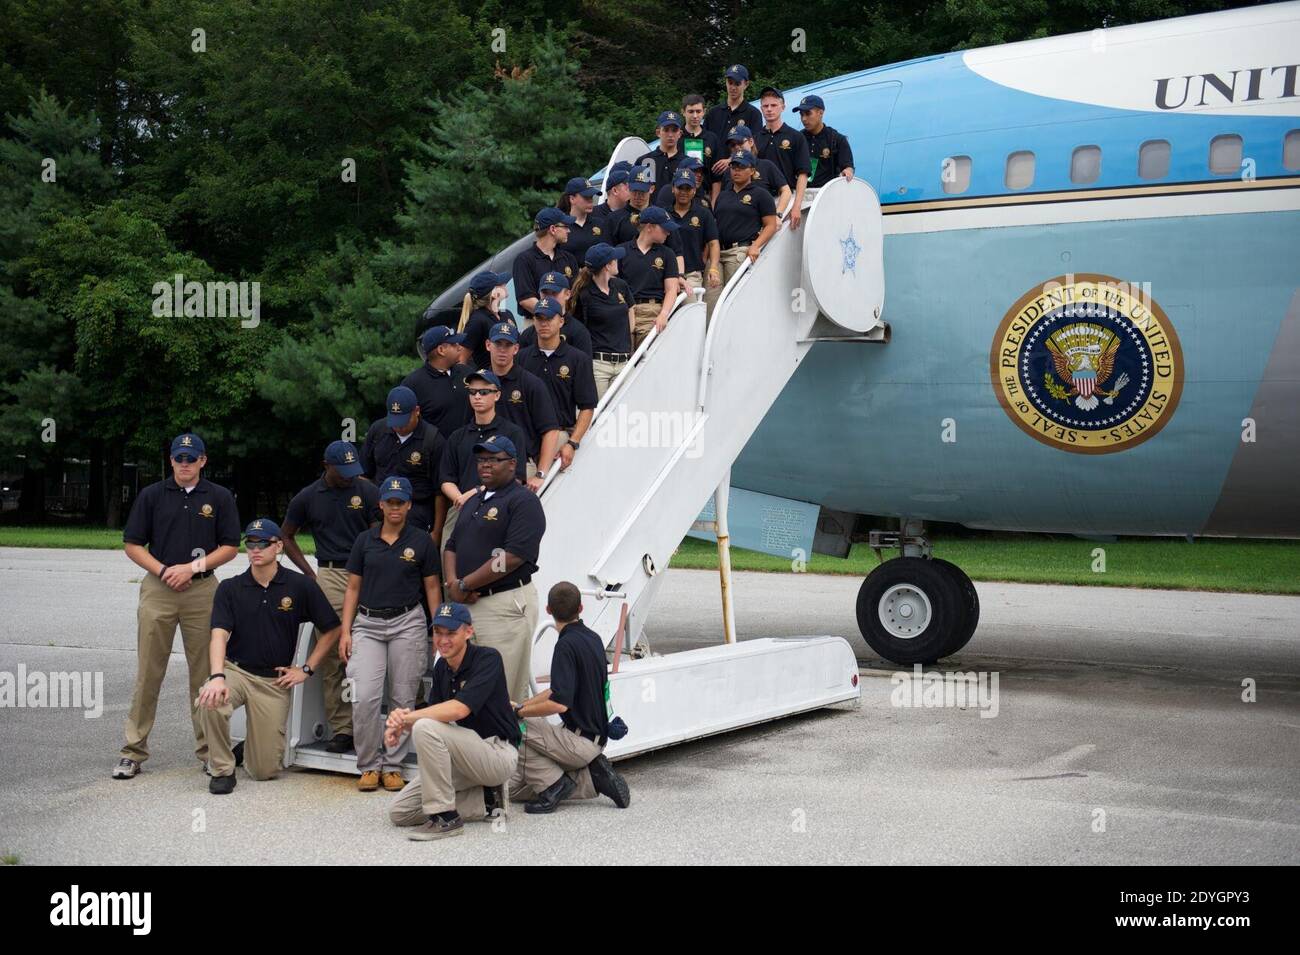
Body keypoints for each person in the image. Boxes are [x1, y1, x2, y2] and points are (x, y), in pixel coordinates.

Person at [115, 432, 241, 780]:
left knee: (206, 674)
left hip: (202, 590)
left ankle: (209, 750)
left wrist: (193, 568)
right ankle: (133, 750)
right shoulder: (152, 495)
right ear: (170, 461)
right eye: (178, 458)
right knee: (148, 672)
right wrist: (165, 570)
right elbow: (133, 544)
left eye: (191, 458)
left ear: (203, 461)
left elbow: (230, 545)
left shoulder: (218, 497)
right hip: (159, 587)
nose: (184, 464)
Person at [196, 519, 342, 793]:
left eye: (263, 543)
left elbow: (332, 629)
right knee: (209, 699)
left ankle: (248, 748)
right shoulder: (230, 588)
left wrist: (306, 669)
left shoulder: (300, 586)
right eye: (250, 543)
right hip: (236, 671)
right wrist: (217, 677)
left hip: (274, 682)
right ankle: (222, 769)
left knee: (264, 771)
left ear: (278, 546)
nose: (255, 549)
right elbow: (218, 635)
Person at [340, 476, 442, 793]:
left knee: (402, 698)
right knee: (365, 697)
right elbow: (353, 587)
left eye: (401, 502)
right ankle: (369, 765)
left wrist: (438, 627)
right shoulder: (364, 540)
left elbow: (432, 587)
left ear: (409, 505)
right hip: (368, 624)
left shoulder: (422, 541)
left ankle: (393, 765)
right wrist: (346, 630)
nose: (395, 507)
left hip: (407, 622)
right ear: (381, 504)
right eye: (390, 502)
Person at [385, 602, 521, 840]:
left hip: (497, 753)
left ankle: (446, 818)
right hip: (465, 757)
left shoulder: (488, 658)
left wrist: (407, 719)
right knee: (401, 812)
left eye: (451, 633)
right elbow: (438, 713)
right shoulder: (441, 667)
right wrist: (403, 724)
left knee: (425, 726)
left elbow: (459, 710)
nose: (443, 640)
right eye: (438, 632)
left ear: (468, 632)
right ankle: (488, 799)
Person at [280, 440, 379, 754]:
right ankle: (342, 728)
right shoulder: (308, 496)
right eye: (344, 471)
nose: (350, 476)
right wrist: (309, 573)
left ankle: (378, 726)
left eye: (354, 470)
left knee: (378, 644)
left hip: (368, 570)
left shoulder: (366, 491)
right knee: (335, 651)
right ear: (327, 466)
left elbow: (381, 529)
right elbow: (285, 535)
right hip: (331, 573)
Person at [509, 581, 630, 813]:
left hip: (578, 742)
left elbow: (559, 704)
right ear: (581, 608)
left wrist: (518, 712)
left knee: (511, 724)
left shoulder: (565, 645)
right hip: (596, 738)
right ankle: (591, 777)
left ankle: (555, 785)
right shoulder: (593, 639)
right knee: (514, 791)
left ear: (548, 610)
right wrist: (523, 704)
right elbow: (556, 691)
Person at [443, 435, 546, 704]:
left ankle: (503, 745)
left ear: (512, 464)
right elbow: (451, 545)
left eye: (493, 459)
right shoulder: (473, 500)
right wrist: (453, 584)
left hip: (503, 605)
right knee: (467, 685)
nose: (485, 465)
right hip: (467, 604)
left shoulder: (524, 501)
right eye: (481, 459)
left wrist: (465, 585)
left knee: (503, 689)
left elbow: (510, 557)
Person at [438, 369, 527, 549]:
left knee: (493, 562)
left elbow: (516, 477)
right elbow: (446, 479)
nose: (477, 396)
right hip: (461, 507)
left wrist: (475, 493)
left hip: (498, 505)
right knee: (447, 552)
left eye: (484, 392)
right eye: (472, 392)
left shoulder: (512, 433)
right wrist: (461, 499)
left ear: (497, 395)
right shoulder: (457, 436)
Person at [518, 297, 597, 472]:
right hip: (526, 436)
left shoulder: (578, 359)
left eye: (549, 318)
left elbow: (587, 407)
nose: (543, 323)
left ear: (561, 321)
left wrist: (572, 443)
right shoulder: (521, 358)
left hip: (559, 434)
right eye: (539, 318)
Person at [361, 385, 446, 538]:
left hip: (417, 510)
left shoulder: (433, 439)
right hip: (379, 508)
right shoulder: (377, 431)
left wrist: (437, 532)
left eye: (404, 421)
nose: (399, 426)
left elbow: (439, 492)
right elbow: (363, 475)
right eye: (394, 421)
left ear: (417, 411)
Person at [484, 321, 561, 489]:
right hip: (483, 463)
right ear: (488, 345)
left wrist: (541, 474)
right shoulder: (478, 385)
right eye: (498, 344)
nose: (503, 350)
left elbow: (551, 431)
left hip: (522, 465)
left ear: (516, 349)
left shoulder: (532, 384)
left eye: (508, 345)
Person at [570, 242, 634, 398]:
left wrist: (628, 331)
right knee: (598, 413)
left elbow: (631, 308)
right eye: (615, 259)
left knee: (623, 412)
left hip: (624, 361)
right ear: (607, 266)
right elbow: (578, 328)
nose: (618, 261)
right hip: (599, 364)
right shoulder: (585, 294)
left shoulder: (620, 286)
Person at [618, 204, 682, 350]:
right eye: (664, 228)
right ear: (649, 227)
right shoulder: (622, 250)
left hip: (652, 312)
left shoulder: (667, 254)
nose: (668, 233)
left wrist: (664, 314)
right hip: (626, 311)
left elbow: (671, 289)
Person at [714, 150, 780, 286]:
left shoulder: (761, 194)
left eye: (742, 167)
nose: (736, 170)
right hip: (717, 253)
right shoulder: (723, 195)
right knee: (711, 299)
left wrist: (755, 246)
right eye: (733, 167)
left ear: (752, 171)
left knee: (732, 298)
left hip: (740, 251)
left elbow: (771, 225)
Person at [754, 86, 811, 230]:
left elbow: (803, 174)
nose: (769, 109)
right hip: (759, 198)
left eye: (773, 105)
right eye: (765, 106)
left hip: (785, 198)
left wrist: (797, 206)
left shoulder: (796, 137)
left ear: (783, 107)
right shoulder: (754, 138)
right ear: (761, 108)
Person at [402, 325, 473, 439]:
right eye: (454, 344)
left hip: (468, 451)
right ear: (441, 350)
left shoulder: (468, 373)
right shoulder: (413, 384)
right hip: (434, 453)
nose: (460, 347)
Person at [667, 168, 721, 311]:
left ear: (694, 190)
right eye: (680, 187)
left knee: (691, 311)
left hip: (692, 275)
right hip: (666, 274)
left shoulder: (704, 213)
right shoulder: (664, 214)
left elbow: (714, 243)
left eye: (688, 188)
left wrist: (714, 268)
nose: (684, 192)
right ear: (673, 188)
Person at [513, 208, 579, 319]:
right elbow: (526, 299)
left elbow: (575, 294)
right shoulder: (524, 260)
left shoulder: (569, 258)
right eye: (565, 226)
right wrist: (552, 317)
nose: (569, 231)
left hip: (566, 322)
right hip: (537, 324)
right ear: (553, 229)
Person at [517, 270, 593, 357]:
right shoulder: (529, 334)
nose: (549, 298)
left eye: (554, 293)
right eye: (545, 293)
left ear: (568, 294)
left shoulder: (578, 332)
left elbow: (584, 367)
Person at [455, 271, 519, 372]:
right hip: (490, 380)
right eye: (499, 284)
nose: (504, 284)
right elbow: (460, 360)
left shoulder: (506, 314)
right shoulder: (477, 320)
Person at [725, 125, 791, 212]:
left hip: (762, 219)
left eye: (740, 142)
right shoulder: (728, 171)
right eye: (732, 145)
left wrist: (778, 214)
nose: (737, 147)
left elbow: (786, 191)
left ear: (751, 142)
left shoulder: (766, 166)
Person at [795, 93, 855, 188]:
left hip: (827, 195)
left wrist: (847, 171)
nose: (804, 119)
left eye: (808, 113)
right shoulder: (797, 138)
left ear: (821, 112)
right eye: (801, 114)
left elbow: (848, 167)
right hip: (800, 194)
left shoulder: (837, 139)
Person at [704, 64, 763, 154]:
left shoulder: (754, 114)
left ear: (746, 84)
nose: (733, 88)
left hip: (740, 166)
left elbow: (754, 147)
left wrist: (731, 159)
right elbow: (705, 142)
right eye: (730, 83)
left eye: (737, 84)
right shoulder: (713, 113)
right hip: (714, 167)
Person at [679, 93, 723, 195]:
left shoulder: (712, 139)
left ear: (704, 112)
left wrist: (714, 203)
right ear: (683, 112)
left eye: (698, 111)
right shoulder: (676, 137)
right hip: (679, 194)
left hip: (704, 196)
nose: (695, 116)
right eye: (691, 111)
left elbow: (716, 177)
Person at [557, 177, 607, 262]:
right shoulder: (560, 226)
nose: (591, 201)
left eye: (591, 197)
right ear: (572, 199)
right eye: (586, 197)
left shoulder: (600, 223)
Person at [636, 110, 687, 190]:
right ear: (658, 133)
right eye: (666, 130)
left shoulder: (687, 163)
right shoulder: (644, 161)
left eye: (674, 130)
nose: (670, 135)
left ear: (680, 134)